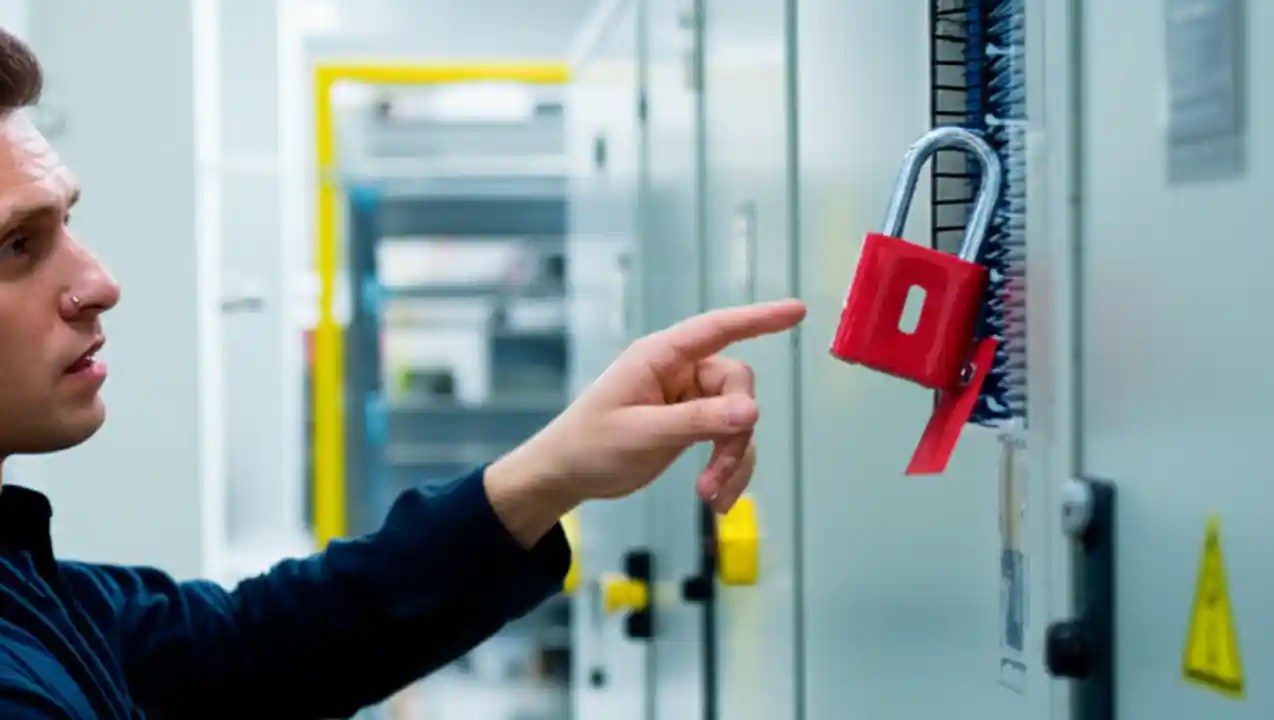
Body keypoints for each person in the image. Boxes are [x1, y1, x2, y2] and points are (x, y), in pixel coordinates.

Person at [0, 29, 807, 719]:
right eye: (16, 247)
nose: (99, 281)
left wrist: (552, 471)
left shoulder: (29, 590)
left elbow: (258, 643)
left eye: (67, 222)